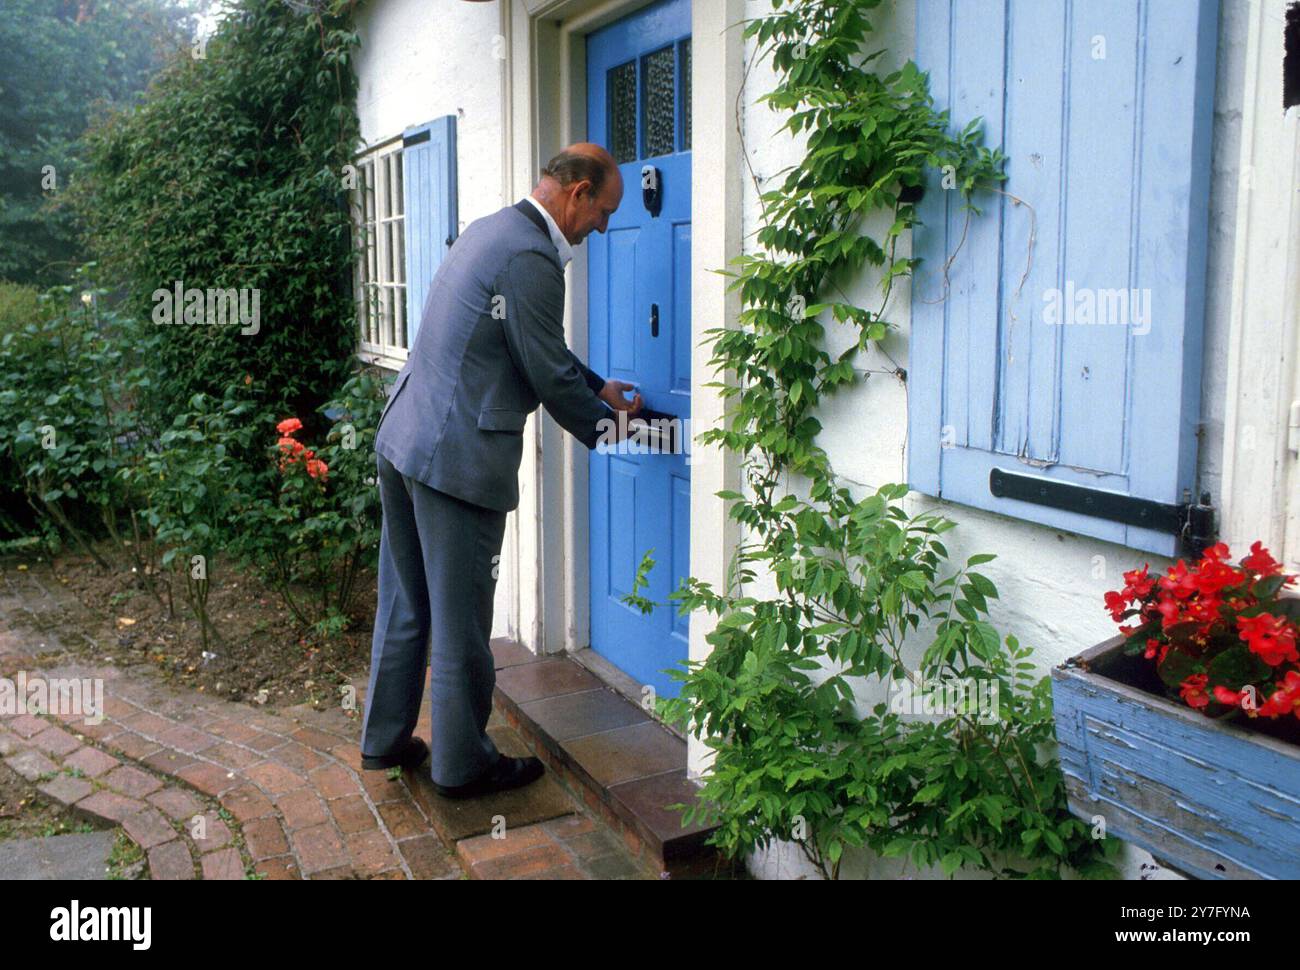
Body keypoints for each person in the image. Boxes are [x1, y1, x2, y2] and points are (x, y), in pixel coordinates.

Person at [359, 143, 647, 799]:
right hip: (453, 459)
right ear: (576, 193)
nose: (602, 228)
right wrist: (622, 432)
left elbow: (533, 344)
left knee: (408, 601)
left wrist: (597, 386)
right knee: (461, 623)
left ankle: (384, 740)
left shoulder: (496, 230)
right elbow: (544, 370)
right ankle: (462, 767)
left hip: (407, 437)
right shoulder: (532, 258)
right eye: (602, 211)